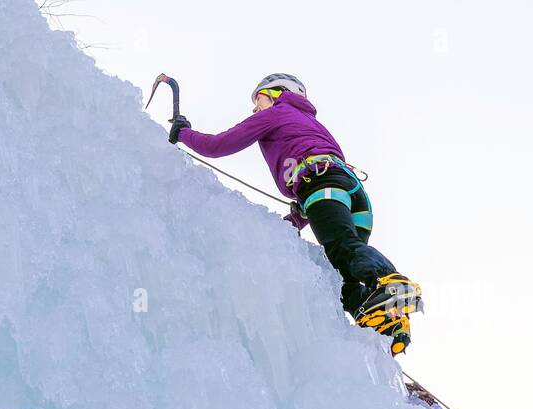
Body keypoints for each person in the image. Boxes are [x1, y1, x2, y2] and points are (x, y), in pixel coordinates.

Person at [168, 73, 421, 355]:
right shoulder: (314, 124)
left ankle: (391, 280)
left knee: (341, 247)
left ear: (277, 93)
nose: (254, 108)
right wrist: (295, 220)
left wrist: (183, 132)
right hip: (350, 194)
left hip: (322, 185)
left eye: (258, 99)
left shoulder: (276, 113)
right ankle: (383, 321)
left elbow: (218, 146)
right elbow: (315, 178)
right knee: (338, 270)